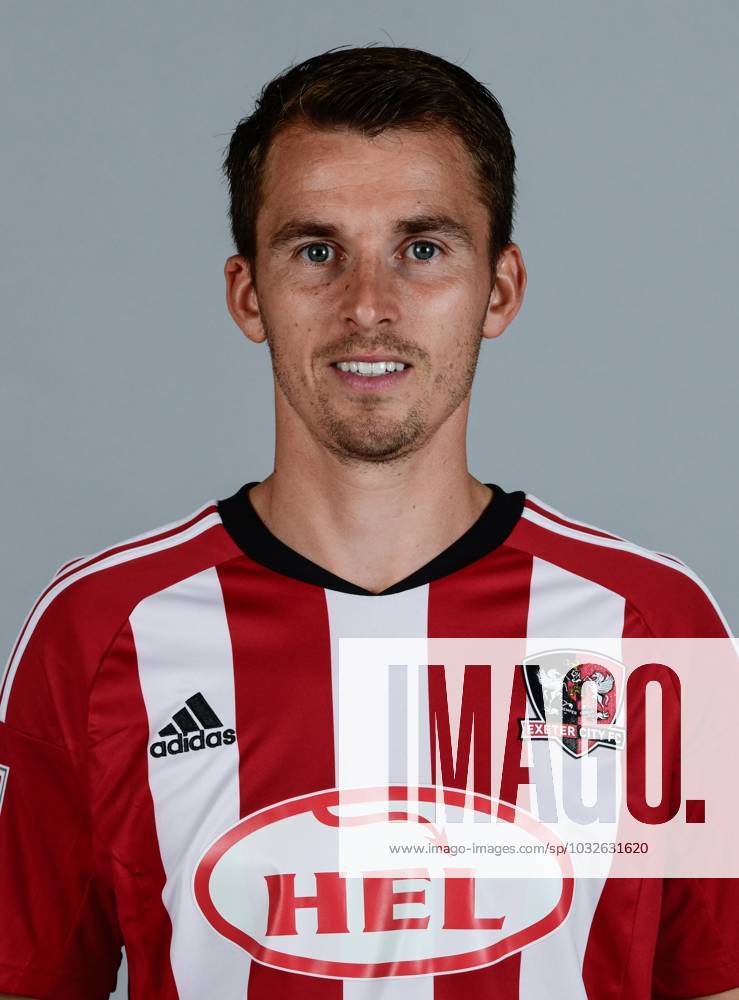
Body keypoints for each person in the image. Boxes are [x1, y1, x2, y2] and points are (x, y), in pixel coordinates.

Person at [0, 44, 736, 1000]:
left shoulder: (653, 629)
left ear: (499, 289)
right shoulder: (98, 633)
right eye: (317, 251)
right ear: (246, 294)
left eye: (421, 249)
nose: (368, 307)